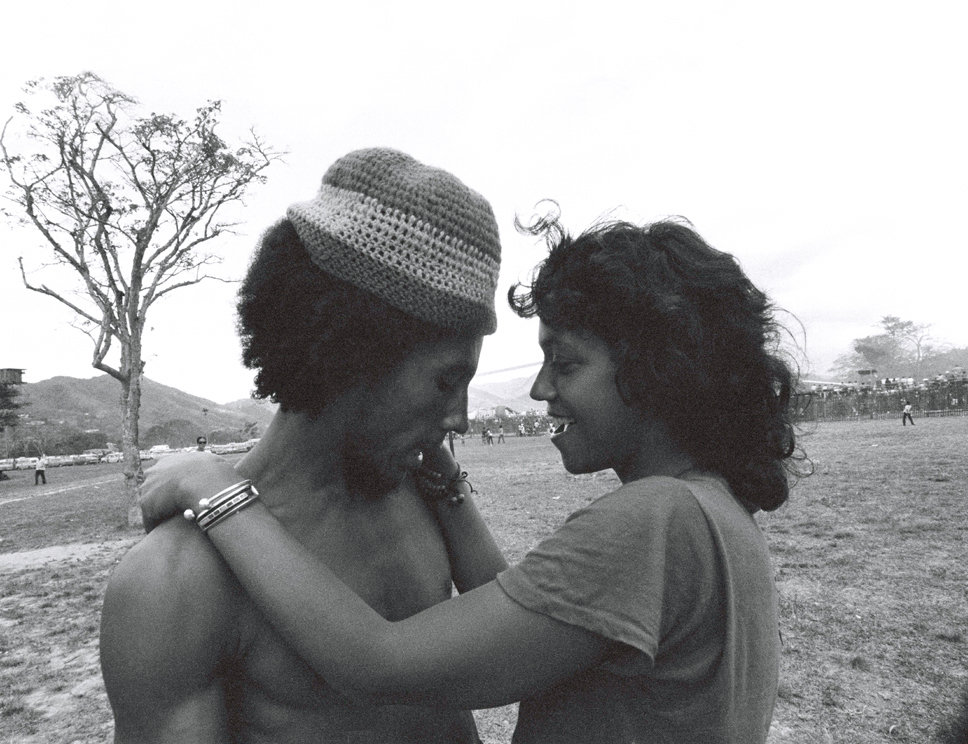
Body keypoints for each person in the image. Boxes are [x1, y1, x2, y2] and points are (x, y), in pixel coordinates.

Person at [142, 212, 800, 743]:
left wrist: (215, 493)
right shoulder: (710, 509)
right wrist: (448, 491)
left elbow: (378, 664)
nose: (541, 389)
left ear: (656, 372)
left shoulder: (653, 521)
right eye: (444, 381)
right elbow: (524, 635)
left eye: (565, 364)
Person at [99, 148, 502, 744]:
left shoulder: (429, 498)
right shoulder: (176, 579)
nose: (461, 420)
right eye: (446, 381)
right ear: (352, 355)